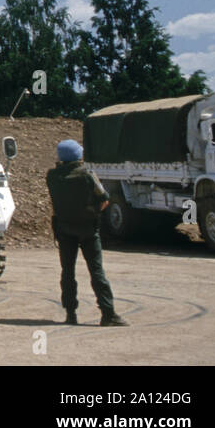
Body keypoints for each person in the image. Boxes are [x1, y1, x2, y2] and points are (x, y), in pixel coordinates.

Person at [46, 139, 128, 326]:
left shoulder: (52, 176)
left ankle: (70, 314)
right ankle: (108, 314)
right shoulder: (87, 174)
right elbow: (104, 199)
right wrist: (92, 212)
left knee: (68, 272)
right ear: (78, 155)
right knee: (97, 271)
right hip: (88, 230)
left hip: (64, 229)